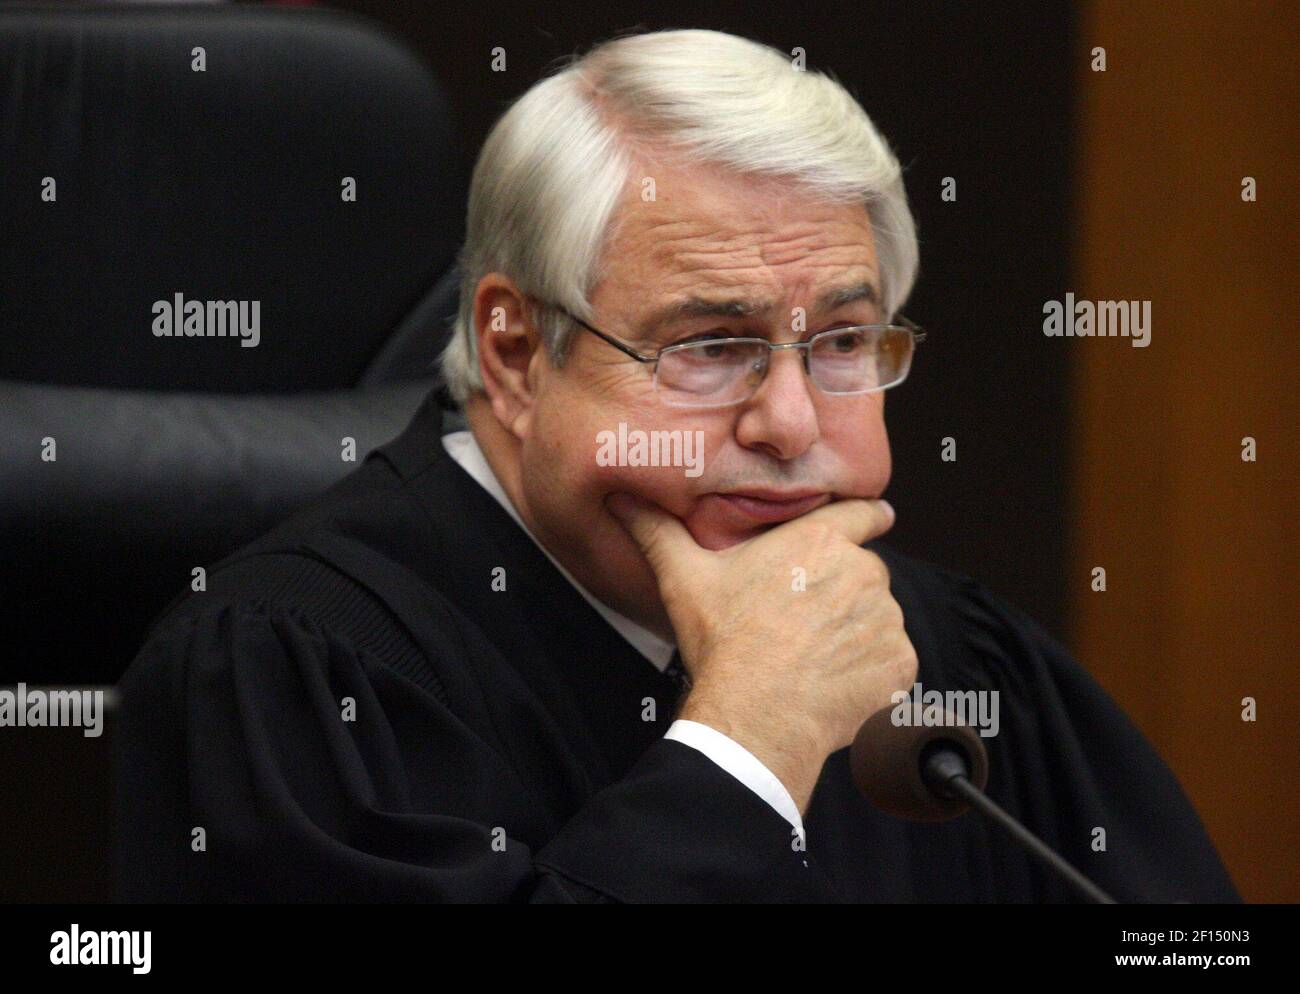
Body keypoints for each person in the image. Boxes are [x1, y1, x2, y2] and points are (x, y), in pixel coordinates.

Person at [113, 28, 1239, 903]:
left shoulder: (934, 651)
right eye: (711, 347)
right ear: (514, 350)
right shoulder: (294, 670)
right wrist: (748, 741)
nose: (792, 422)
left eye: (843, 342)